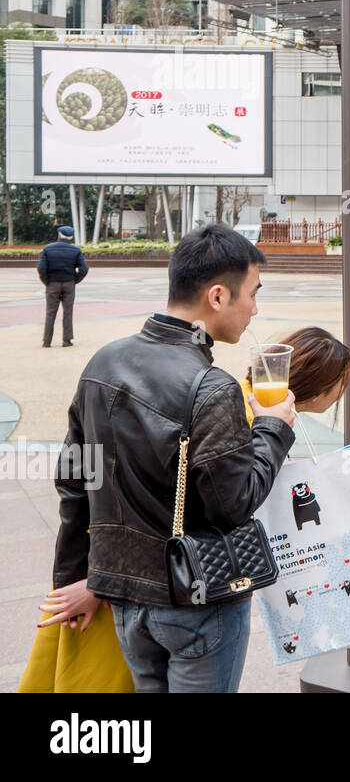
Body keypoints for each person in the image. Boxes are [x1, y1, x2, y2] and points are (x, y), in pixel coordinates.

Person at [25, 321, 350, 693]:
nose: (254, 308)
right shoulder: (232, 406)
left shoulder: (214, 393)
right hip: (185, 594)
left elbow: (83, 481)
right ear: (325, 387)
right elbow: (206, 504)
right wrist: (92, 582)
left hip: (130, 588)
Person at [49, 224, 296, 693]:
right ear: (218, 296)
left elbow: (75, 481)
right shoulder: (212, 386)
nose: (255, 309)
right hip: (197, 599)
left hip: (125, 598)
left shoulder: (103, 363)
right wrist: (273, 428)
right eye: (253, 293)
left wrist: (78, 578)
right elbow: (232, 504)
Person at [38, 225, 88, 347]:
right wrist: (75, 280)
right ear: (71, 237)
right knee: (68, 312)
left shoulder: (48, 249)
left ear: (59, 234)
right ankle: (67, 340)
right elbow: (84, 269)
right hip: (69, 283)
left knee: (50, 312)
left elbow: (41, 268)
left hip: (52, 284)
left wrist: (47, 281)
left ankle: (47, 341)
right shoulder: (75, 250)